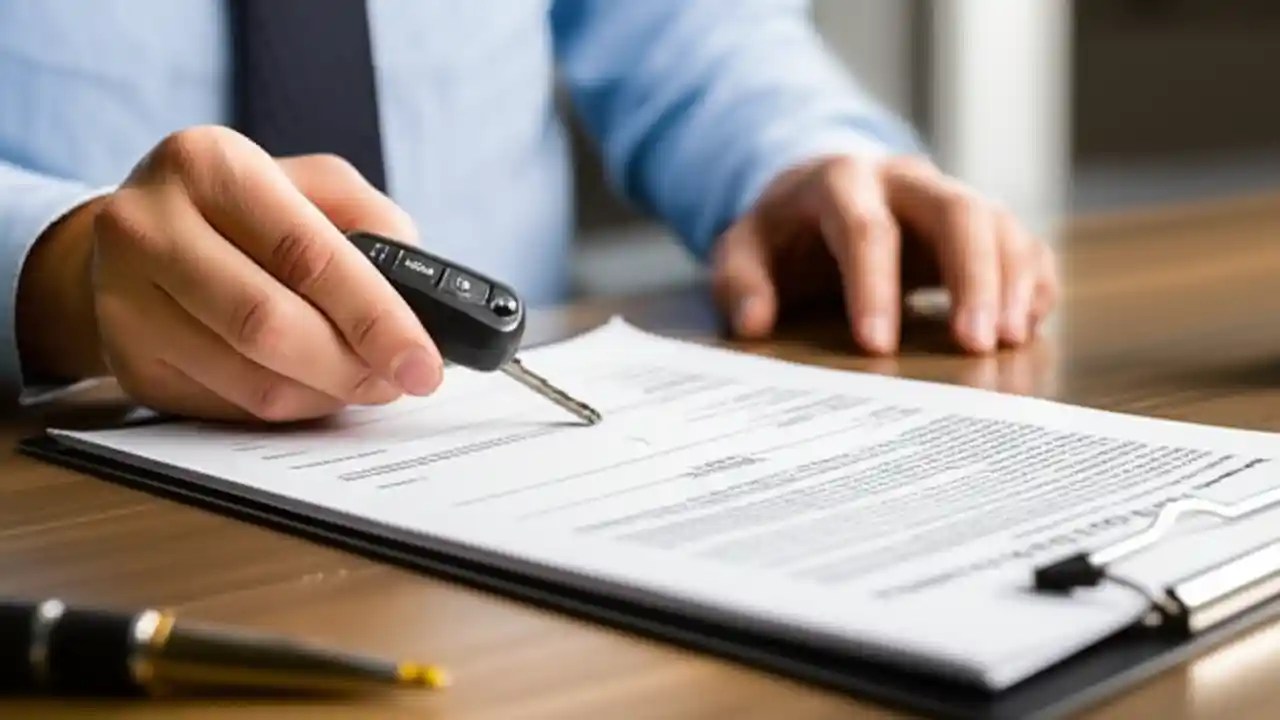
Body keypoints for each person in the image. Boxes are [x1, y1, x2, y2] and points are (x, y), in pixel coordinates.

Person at [0, 1, 1058, 423]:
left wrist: (794, 157)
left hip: (492, 468)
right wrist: (50, 266)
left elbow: (682, 20)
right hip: (63, 472)